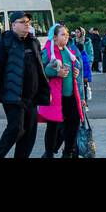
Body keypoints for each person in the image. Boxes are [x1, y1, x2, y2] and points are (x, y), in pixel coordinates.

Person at [0, 11, 50, 158]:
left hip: (32, 98)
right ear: (13, 25)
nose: (26, 24)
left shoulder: (34, 42)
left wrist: (45, 89)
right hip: (13, 96)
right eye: (22, 22)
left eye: (28, 22)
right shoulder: (5, 44)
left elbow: (39, 68)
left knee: (29, 135)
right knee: (16, 128)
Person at [39, 23, 85, 158]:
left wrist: (75, 72)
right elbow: (41, 70)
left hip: (71, 95)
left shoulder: (68, 50)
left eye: (67, 34)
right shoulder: (48, 51)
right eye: (63, 34)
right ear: (54, 37)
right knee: (53, 127)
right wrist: (56, 73)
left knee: (74, 123)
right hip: (55, 96)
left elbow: (75, 67)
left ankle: (68, 152)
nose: (66, 37)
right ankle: (49, 154)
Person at [72, 27, 93, 104]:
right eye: (76, 32)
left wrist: (90, 62)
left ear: (82, 32)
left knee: (84, 83)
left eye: (78, 32)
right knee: (77, 83)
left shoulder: (87, 40)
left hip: (85, 62)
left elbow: (90, 52)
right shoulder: (73, 41)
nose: (77, 34)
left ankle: (85, 102)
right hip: (76, 62)